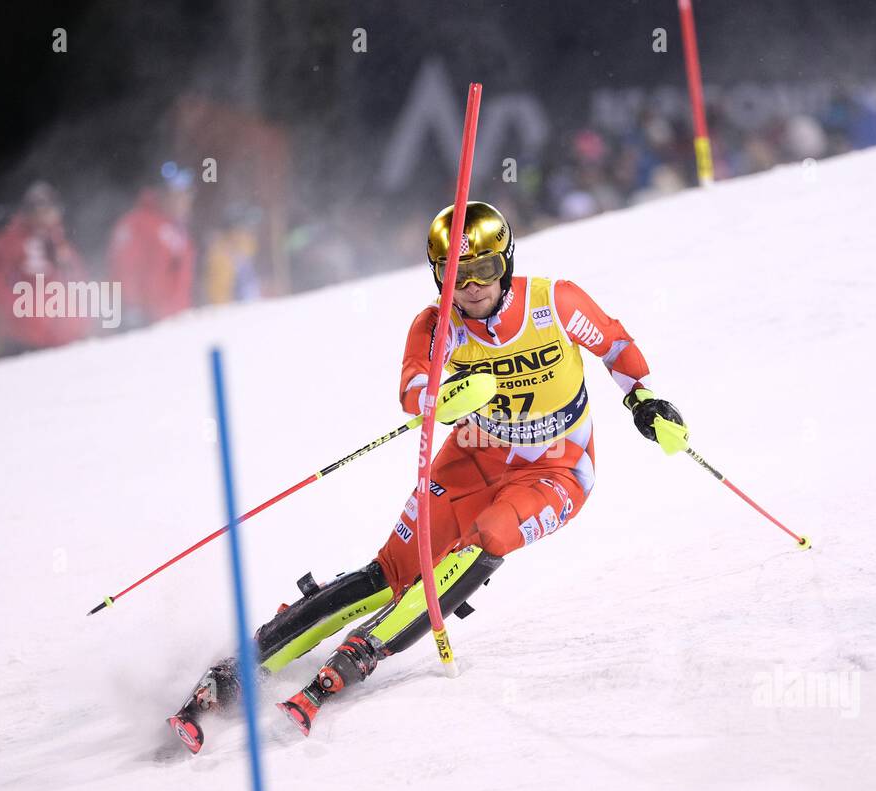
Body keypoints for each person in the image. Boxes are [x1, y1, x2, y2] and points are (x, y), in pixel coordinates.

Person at [168, 201, 687, 753]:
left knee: (491, 535)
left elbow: (615, 345)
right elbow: (412, 390)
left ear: (505, 263)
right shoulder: (436, 324)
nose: (470, 286)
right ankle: (237, 672)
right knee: (392, 570)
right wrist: (442, 398)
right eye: (454, 275)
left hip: (557, 467)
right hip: (472, 454)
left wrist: (643, 399)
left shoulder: (553, 303)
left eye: (483, 270)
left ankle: (356, 657)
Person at [0, 181, 89, 356]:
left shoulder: (58, 241)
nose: (49, 216)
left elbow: (75, 280)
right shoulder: (13, 240)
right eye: (42, 210)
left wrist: (77, 323)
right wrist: (13, 305)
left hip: (56, 334)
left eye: (51, 210)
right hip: (23, 335)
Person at [108, 163, 196, 328]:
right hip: (148, 321)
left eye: (186, 195)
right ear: (161, 195)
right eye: (177, 196)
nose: (184, 201)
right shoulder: (137, 223)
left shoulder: (177, 228)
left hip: (175, 319)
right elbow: (124, 268)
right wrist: (131, 307)